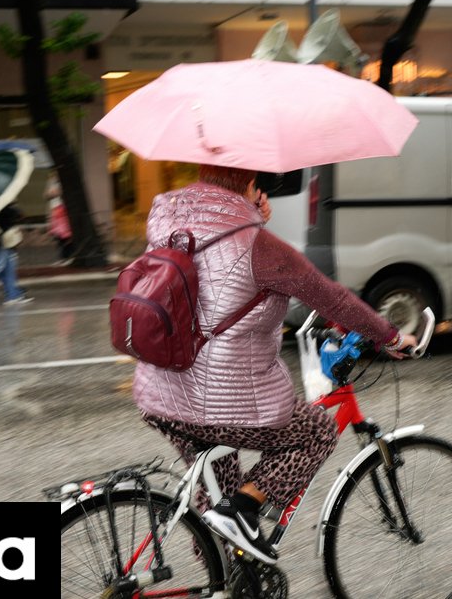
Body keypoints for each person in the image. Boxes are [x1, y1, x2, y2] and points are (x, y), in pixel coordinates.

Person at [132, 164, 417, 565]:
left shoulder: (170, 222)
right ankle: (241, 512)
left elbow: (212, 262)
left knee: (219, 492)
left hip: (159, 391)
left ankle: (224, 575)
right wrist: (389, 335)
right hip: (215, 402)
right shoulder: (257, 245)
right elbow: (329, 297)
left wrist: (248, 217)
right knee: (315, 431)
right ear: (250, 183)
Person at [44, 172, 73, 265]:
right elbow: (46, 195)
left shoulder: (65, 181)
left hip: (63, 211)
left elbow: (62, 193)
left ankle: (68, 256)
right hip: (55, 211)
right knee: (58, 236)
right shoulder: (51, 182)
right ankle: (62, 257)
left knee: (65, 235)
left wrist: (56, 192)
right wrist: (50, 191)